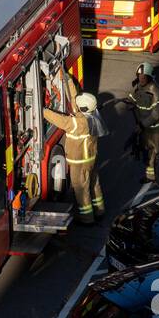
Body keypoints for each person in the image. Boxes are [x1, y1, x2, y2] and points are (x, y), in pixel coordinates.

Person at [42, 70, 104, 225]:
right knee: (94, 183)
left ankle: (87, 218)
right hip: (91, 158)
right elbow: (75, 98)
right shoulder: (92, 115)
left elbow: (60, 120)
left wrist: (42, 110)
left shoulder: (77, 123)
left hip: (79, 162)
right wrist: (68, 80)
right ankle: (100, 210)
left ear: (82, 108)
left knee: (81, 189)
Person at [123, 63, 159, 183]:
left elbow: (156, 114)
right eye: (139, 76)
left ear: (150, 77)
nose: (141, 79)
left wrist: (141, 125)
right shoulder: (138, 88)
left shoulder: (156, 92)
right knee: (146, 153)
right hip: (145, 129)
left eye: (144, 77)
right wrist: (129, 102)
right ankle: (150, 176)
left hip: (157, 129)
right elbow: (132, 97)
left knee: (157, 154)